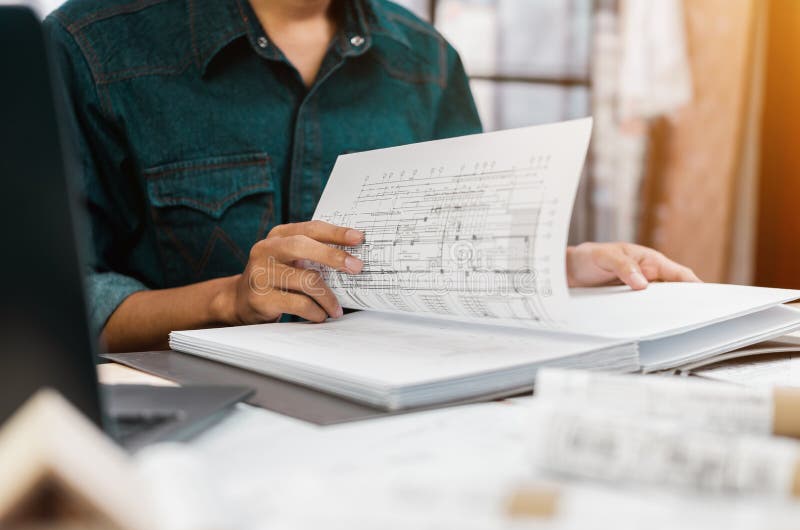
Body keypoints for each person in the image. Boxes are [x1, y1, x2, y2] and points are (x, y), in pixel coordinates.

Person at [44, 0, 699, 353]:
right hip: (183, 437)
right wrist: (229, 301)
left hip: (393, 422)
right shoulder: (89, 47)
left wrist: (561, 264)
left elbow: (451, 255)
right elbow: (52, 304)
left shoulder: (426, 60)